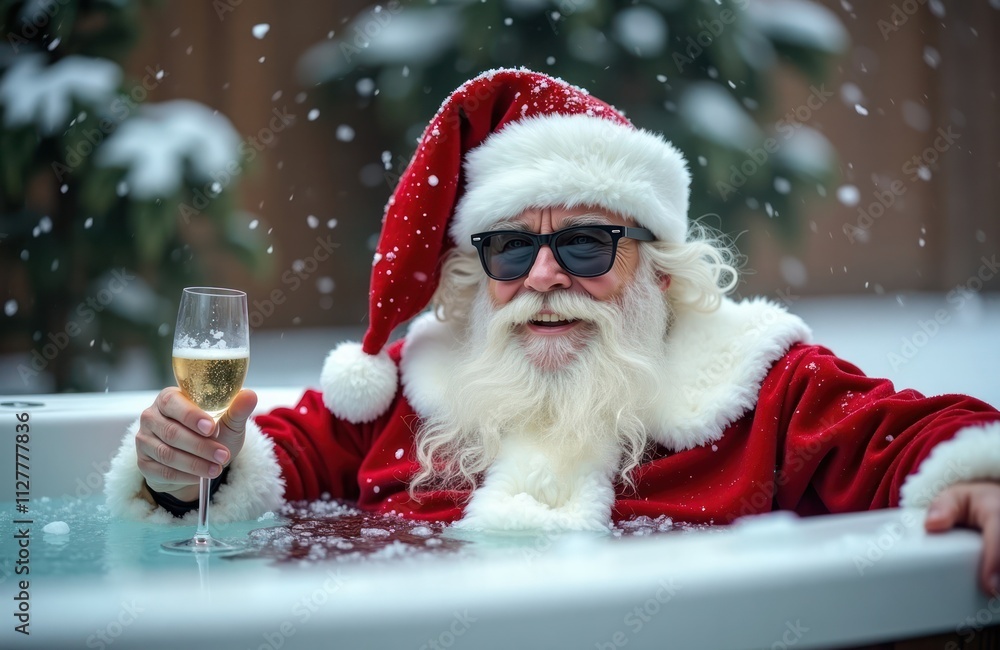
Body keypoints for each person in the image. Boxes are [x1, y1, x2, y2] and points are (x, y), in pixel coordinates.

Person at [105, 69, 1000, 594]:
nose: (543, 278)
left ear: (658, 266)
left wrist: (986, 476)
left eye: (584, 244)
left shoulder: (759, 386)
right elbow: (260, 460)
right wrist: (186, 464)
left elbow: (918, 435)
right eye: (509, 249)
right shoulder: (411, 390)